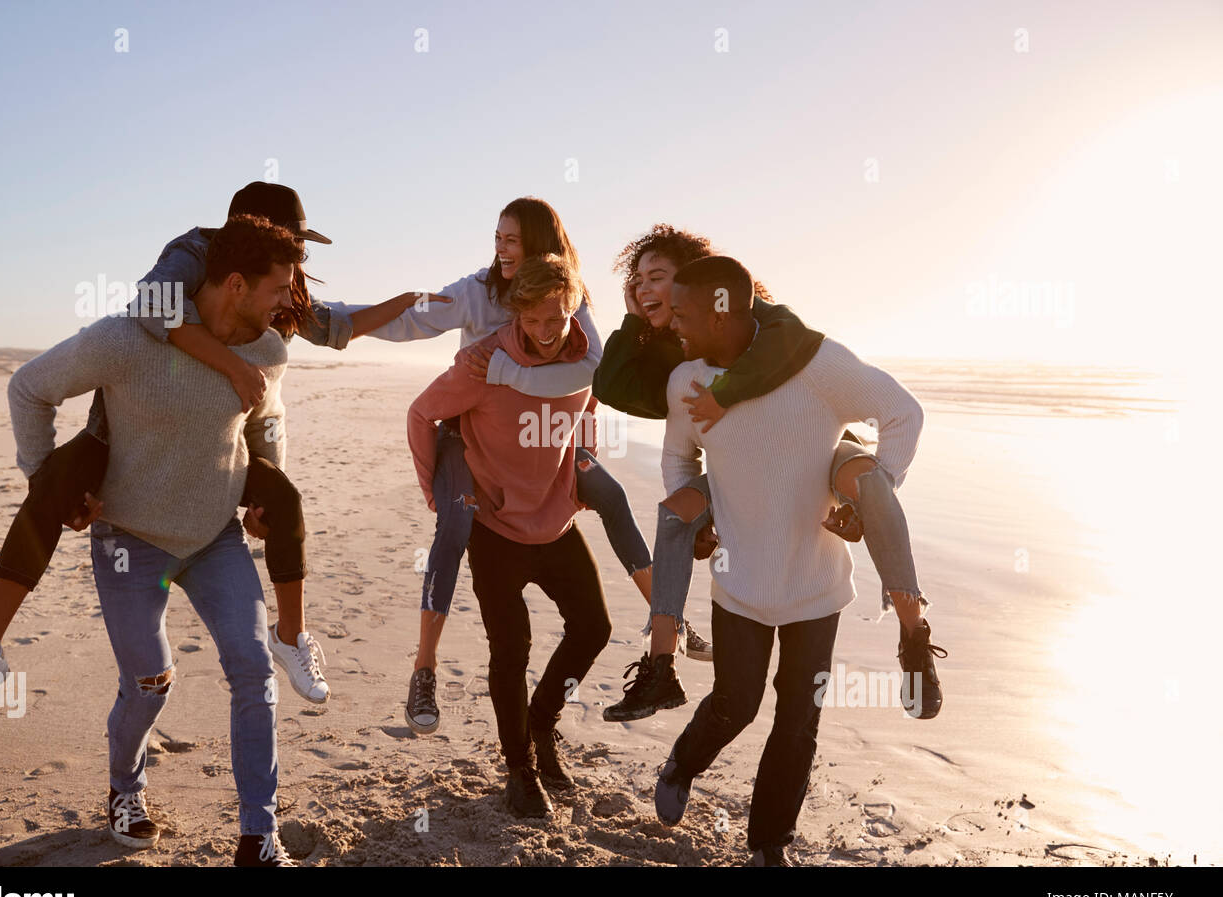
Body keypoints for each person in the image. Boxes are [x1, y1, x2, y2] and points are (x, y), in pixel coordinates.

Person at [0, 183, 428, 720]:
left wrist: (401, 306)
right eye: (293, 241)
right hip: (115, 435)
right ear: (249, 234)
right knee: (49, 489)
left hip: (219, 452)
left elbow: (333, 328)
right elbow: (153, 309)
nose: (300, 258)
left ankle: (291, 636)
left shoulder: (274, 289)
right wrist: (233, 365)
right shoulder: (193, 253)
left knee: (283, 495)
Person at [324, 197, 709, 738]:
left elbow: (591, 373)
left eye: (510, 239)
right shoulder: (478, 291)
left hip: (551, 437)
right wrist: (337, 321)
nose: (499, 248)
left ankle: (668, 620)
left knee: (613, 497)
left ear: (537, 243)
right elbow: (413, 320)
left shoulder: (569, 296)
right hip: (471, 431)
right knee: (455, 521)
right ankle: (424, 668)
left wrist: (537, 399)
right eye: (496, 237)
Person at [6, 214, 304, 865]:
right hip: (131, 540)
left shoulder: (268, 351)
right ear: (233, 283)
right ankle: (125, 788)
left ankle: (260, 834)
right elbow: (29, 387)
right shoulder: (125, 342)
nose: (290, 300)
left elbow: (267, 422)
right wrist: (48, 485)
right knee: (150, 683)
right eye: (279, 286)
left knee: (254, 669)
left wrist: (264, 488)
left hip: (216, 536)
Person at [650, 256, 941, 866]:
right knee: (736, 702)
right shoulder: (687, 381)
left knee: (796, 720)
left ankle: (767, 847)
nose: (672, 323)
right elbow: (680, 461)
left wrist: (873, 498)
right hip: (738, 581)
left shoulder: (819, 364)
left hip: (815, 584)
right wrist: (700, 522)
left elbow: (903, 413)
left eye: (683, 313)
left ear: (724, 308)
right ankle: (684, 763)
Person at [595, 225, 943, 722]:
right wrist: (634, 321)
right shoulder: (674, 348)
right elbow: (612, 387)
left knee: (868, 480)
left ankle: (914, 632)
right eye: (637, 282)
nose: (647, 290)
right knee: (675, 515)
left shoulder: (763, 323)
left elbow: (786, 348)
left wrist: (858, 503)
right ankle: (661, 667)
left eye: (659, 278)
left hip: (812, 451)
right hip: (732, 470)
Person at [406, 254, 613, 817]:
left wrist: (582, 466)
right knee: (511, 647)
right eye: (536, 320)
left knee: (594, 627)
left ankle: (541, 726)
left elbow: (588, 409)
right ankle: (519, 767)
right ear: (518, 312)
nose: (548, 333)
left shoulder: (584, 358)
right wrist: (437, 496)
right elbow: (422, 414)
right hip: (496, 528)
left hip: (556, 519)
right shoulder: (482, 362)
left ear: (574, 311)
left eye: (559, 319)